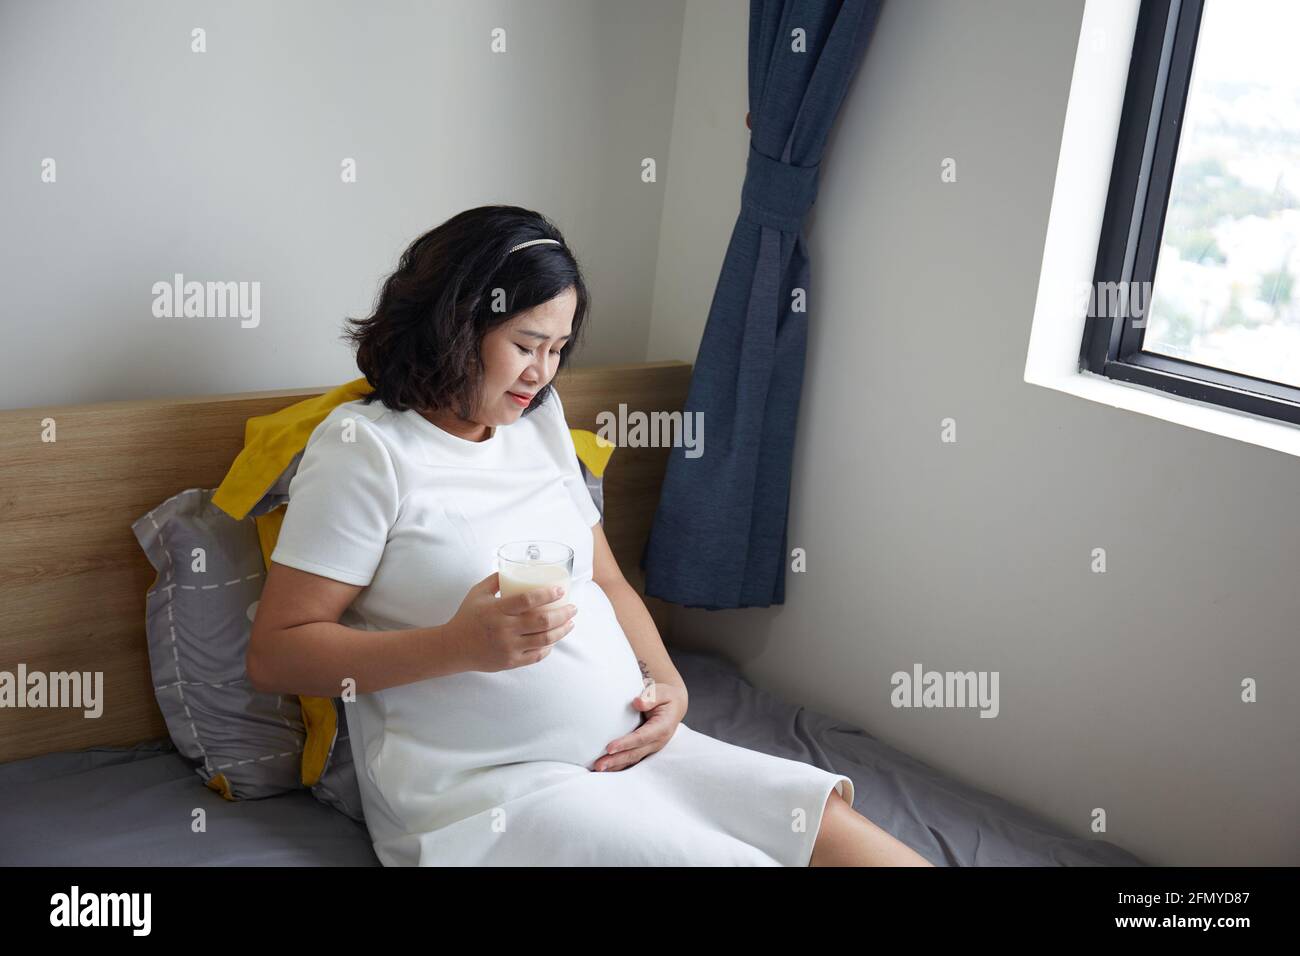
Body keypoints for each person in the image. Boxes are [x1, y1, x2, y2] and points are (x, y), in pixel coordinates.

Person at [247, 205, 933, 867]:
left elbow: (604, 581)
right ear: (453, 322)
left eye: (557, 349)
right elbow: (277, 655)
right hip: (496, 791)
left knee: (826, 826)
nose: (541, 373)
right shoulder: (366, 449)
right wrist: (455, 646)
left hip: (638, 747)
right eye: (523, 345)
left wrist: (669, 689)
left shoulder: (538, 420)